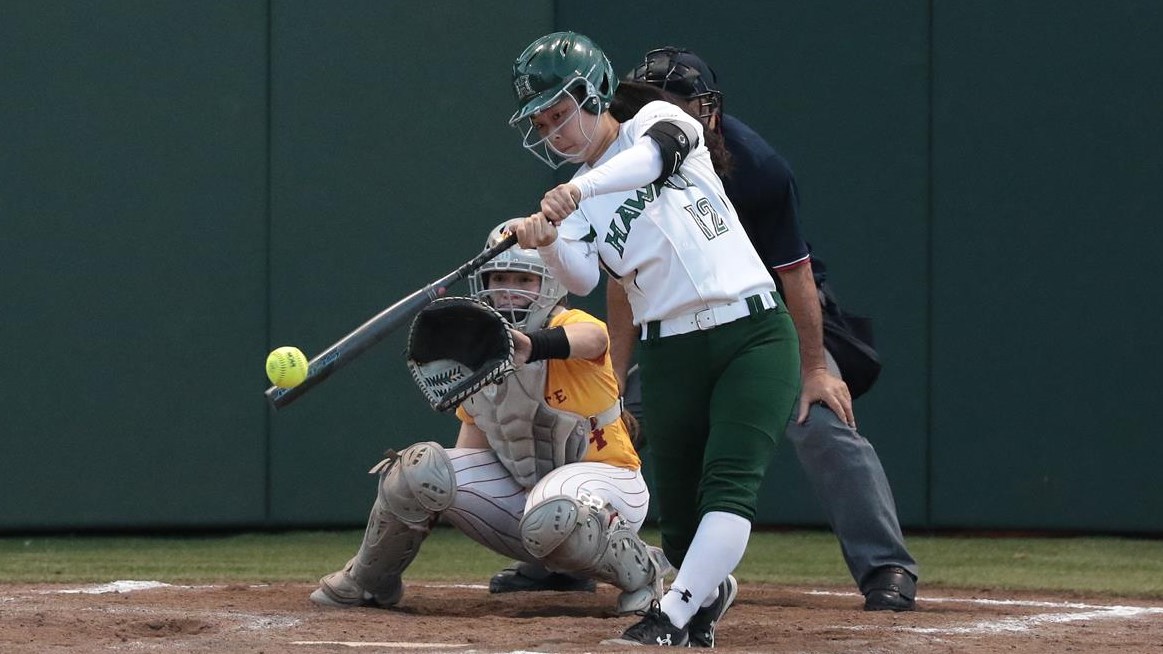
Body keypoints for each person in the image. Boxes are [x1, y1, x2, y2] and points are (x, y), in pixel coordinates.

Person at [507, 31, 801, 647]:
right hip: (669, 351)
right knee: (679, 520)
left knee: (730, 482)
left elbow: (650, 161)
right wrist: (550, 239)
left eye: (560, 113)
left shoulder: (658, 121)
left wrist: (578, 191)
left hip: (751, 332)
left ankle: (672, 614)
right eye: (543, 121)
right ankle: (707, 587)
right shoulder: (579, 201)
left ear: (595, 94)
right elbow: (585, 276)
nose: (553, 132)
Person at [616, 46, 919, 614]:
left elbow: (795, 273)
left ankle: (887, 567)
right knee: (616, 418)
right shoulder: (627, 165)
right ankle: (560, 557)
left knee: (819, 420)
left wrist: (811, 370)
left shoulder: (756, 166)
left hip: (777, 318)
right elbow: (620, 277)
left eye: (674, 105)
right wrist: (609, 379)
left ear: (704, 111)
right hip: (686, 326)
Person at [309, 219, 668, 617]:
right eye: (499, 278)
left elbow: (596, 340)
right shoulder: (480, 355)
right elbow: (473, 456)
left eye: (523, 279)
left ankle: (645, 571)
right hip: (532, 508)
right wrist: (431, 501)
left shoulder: (567, 325)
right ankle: (370, 580)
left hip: (610, 487)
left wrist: (532, 346)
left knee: (552, 509)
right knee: (418, 469)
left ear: (549, 284)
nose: (509, 290)